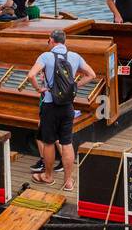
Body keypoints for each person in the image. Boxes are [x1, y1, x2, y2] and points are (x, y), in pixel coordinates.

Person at [30, 28, 96, 192]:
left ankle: (48, 176)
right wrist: (74, 86)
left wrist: (40, 89)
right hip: (67, 106)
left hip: (50, 105)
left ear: (51, 40)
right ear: (64, 41)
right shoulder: (75, 56)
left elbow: (31, 75)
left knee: (49, 142)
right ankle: (68, 182)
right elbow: (91, 74)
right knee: (66, 143)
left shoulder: (45, 56)